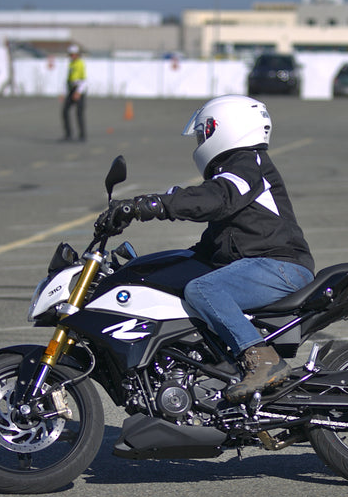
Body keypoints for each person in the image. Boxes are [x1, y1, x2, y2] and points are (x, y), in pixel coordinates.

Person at [100, 95, 315, 402]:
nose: (200, 141)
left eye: (204, 133)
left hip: (279, 267)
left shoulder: (246, 165)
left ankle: (262, 360)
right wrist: (146, 268)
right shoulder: (236, 169)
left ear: (225, 128)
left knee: (203, 291)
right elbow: (211, 248)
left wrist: (148, 205)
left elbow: (213, 198)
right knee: (183, 276)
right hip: (262, 264)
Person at [63, 44, 87, 141]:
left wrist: (78, 92)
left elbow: (84, 80)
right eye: (71, 54)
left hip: (79, 89)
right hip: (71, 89)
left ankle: (82, 135)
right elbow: (68, 79)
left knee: (79, 113)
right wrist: (64, 92)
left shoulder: (80, 63)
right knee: (65, 111)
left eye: (74, 54)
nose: (72, 56)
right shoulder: (71, 64)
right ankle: (68, 134)